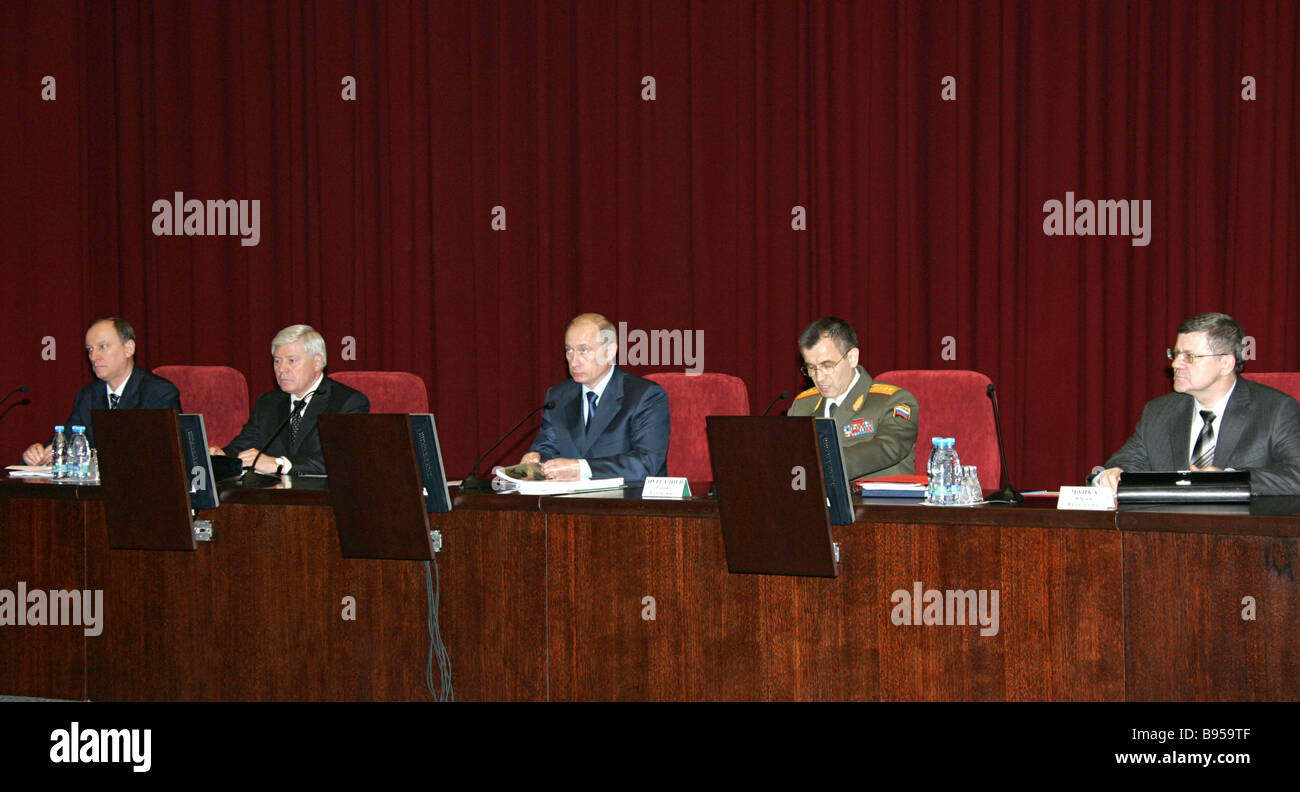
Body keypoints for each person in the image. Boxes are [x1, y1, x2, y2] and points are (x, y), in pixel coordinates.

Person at [1096, 312, 1300, 496]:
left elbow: (1296, 476)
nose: (1175, 363)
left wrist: (1230, 479)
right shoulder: (1159, 411)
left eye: (1189, 357)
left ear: (1226, 364)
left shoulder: (1276, 410)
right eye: (1175, 354)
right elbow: (1126, 462)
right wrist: (1115, 472)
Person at [521, 312, 670, 483]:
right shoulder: (558, 397)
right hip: (566, 504)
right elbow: (547, 448)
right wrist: (536, 458)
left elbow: (647, 464)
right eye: (569, 350)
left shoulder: (644, 395)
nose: (574, 361)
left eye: (584, 350)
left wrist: (582, 469)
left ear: (609, 351)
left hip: (628, 504)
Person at [213, 324, 369, 475]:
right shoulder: (268, 403)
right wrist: (223, 455)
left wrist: (279, 464)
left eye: (291, 361)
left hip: (323, 496)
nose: (281, 369)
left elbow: (340, 458)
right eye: (277, 361)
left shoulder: (347, 402)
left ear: (317, 362)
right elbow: (244, 445)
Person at [22, 318, 181, 464]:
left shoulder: (159, 393)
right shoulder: (88, 395)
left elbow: (163, 455)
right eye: (90, 349)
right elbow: (68, 439)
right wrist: (39, 453)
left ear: (129, 348)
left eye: (102, 347)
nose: (93, 356)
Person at [787, 316, 918, 479]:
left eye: (827, 366)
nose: (819, 378)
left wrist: (824, 462)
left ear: (852, 358)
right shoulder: (802, 405)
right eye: (812, 368)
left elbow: (887, 447)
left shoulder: (894, 401)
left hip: (875, 503)